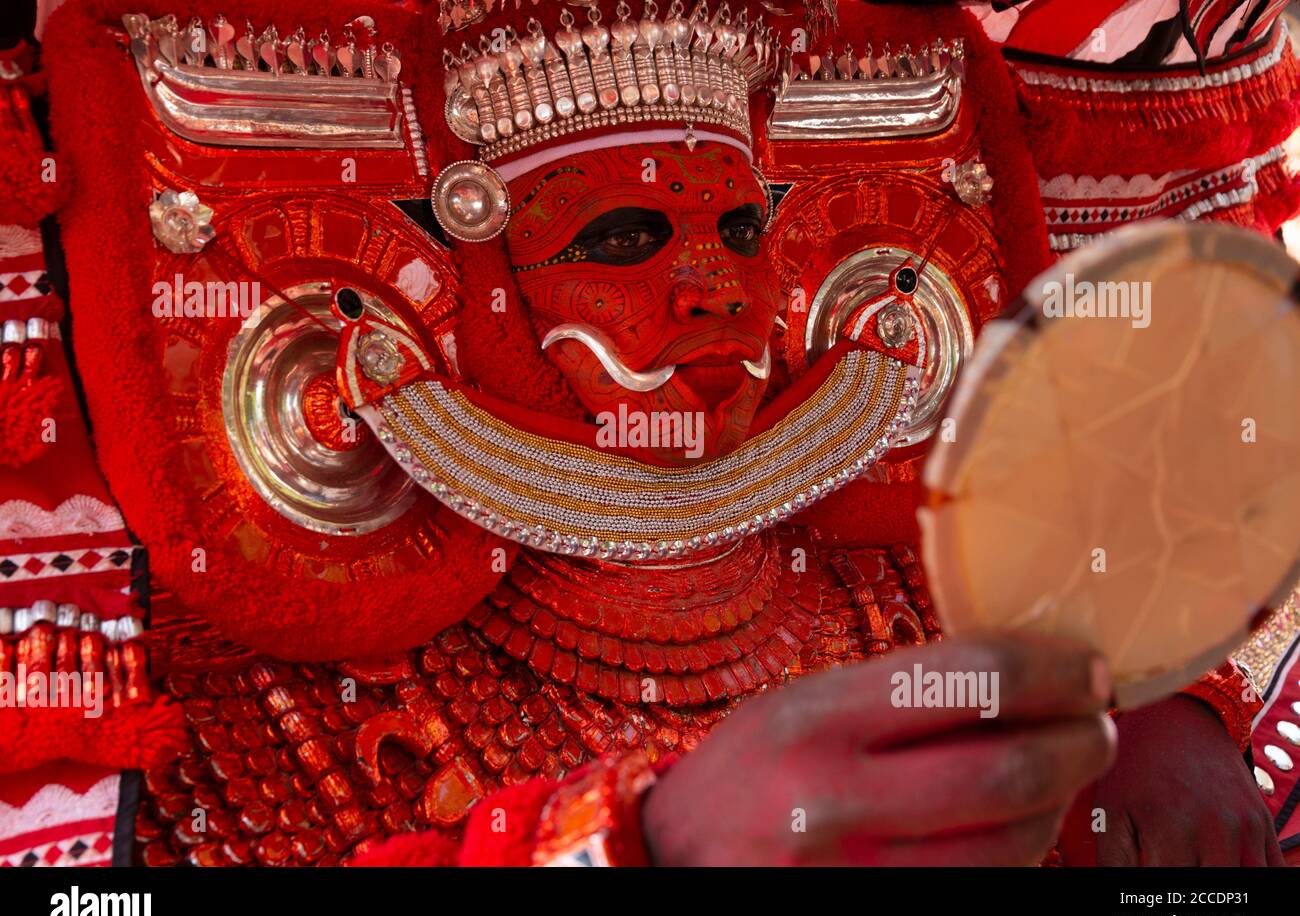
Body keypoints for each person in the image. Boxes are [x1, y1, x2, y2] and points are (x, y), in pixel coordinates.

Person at [0, 0, 1289, 867]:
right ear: (485, 288)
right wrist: (633, 842)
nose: (715, 293)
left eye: (741, 231)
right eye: (622, 240)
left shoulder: (933, 590)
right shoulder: (212, 700)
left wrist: (1162, 725)